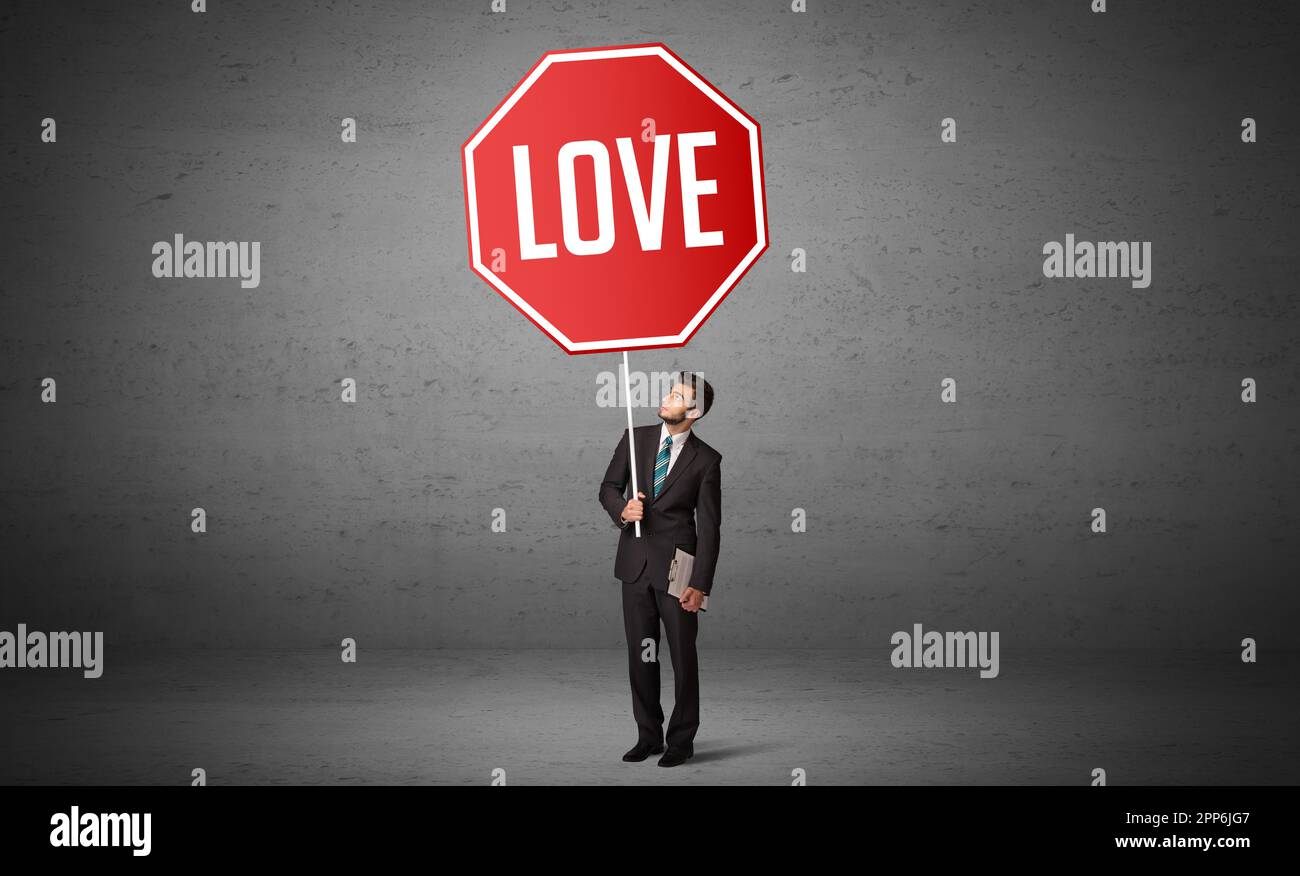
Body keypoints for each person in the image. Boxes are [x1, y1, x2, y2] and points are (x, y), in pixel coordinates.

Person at [598, 371, 721, 767]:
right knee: (641, 656)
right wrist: (622, 509)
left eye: (677, 395)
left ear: (695, 411)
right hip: (634, 566)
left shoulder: (707, 460)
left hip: (679, 572)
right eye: (668, 392)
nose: (667, 398)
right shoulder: (636, 438)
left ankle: (681, 741)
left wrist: (701, 584)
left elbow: (710, 527)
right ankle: (648, 736)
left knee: (683, 656)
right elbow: (607, 489)